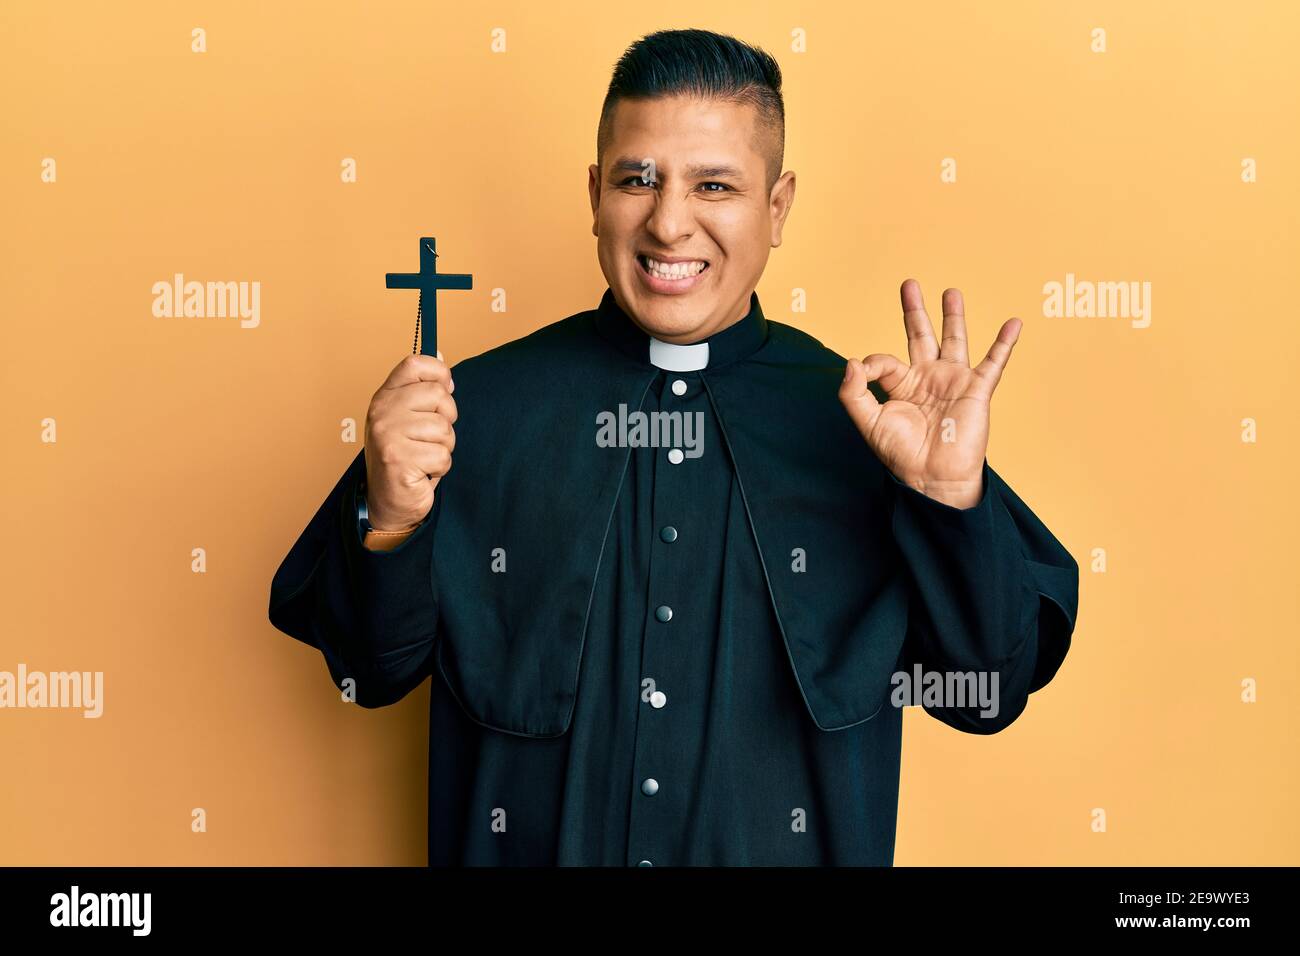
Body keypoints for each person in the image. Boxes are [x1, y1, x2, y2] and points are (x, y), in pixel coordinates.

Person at [268, 28, 1079, 866]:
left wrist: (950, 505)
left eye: (714, 185)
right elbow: (369, 675)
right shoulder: (472, 410)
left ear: (778, 206)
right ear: (594, 195)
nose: (668, 222)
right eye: (636, 180)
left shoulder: (881, 430)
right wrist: (391, 515)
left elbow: (990, 694)